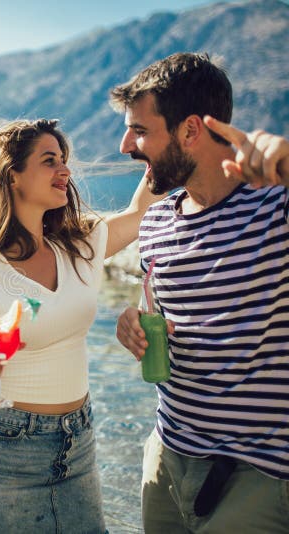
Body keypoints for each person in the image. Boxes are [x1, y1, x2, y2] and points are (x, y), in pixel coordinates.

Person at [0, 113, 163, 532]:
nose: (65, 170)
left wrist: (161, 146)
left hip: (78, 445)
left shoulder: (80, 247)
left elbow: (141, 211)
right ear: (12, 176)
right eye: (50, 160)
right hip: (3, 457)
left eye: (63, 159)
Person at [111, 52, 289, 533]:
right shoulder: (156, 223)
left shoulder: (276, 207)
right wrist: (133, 324)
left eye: (141, 130)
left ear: (190, 131)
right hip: (168, 458)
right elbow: (162, 316)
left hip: (261, 472)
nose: (126, 144)